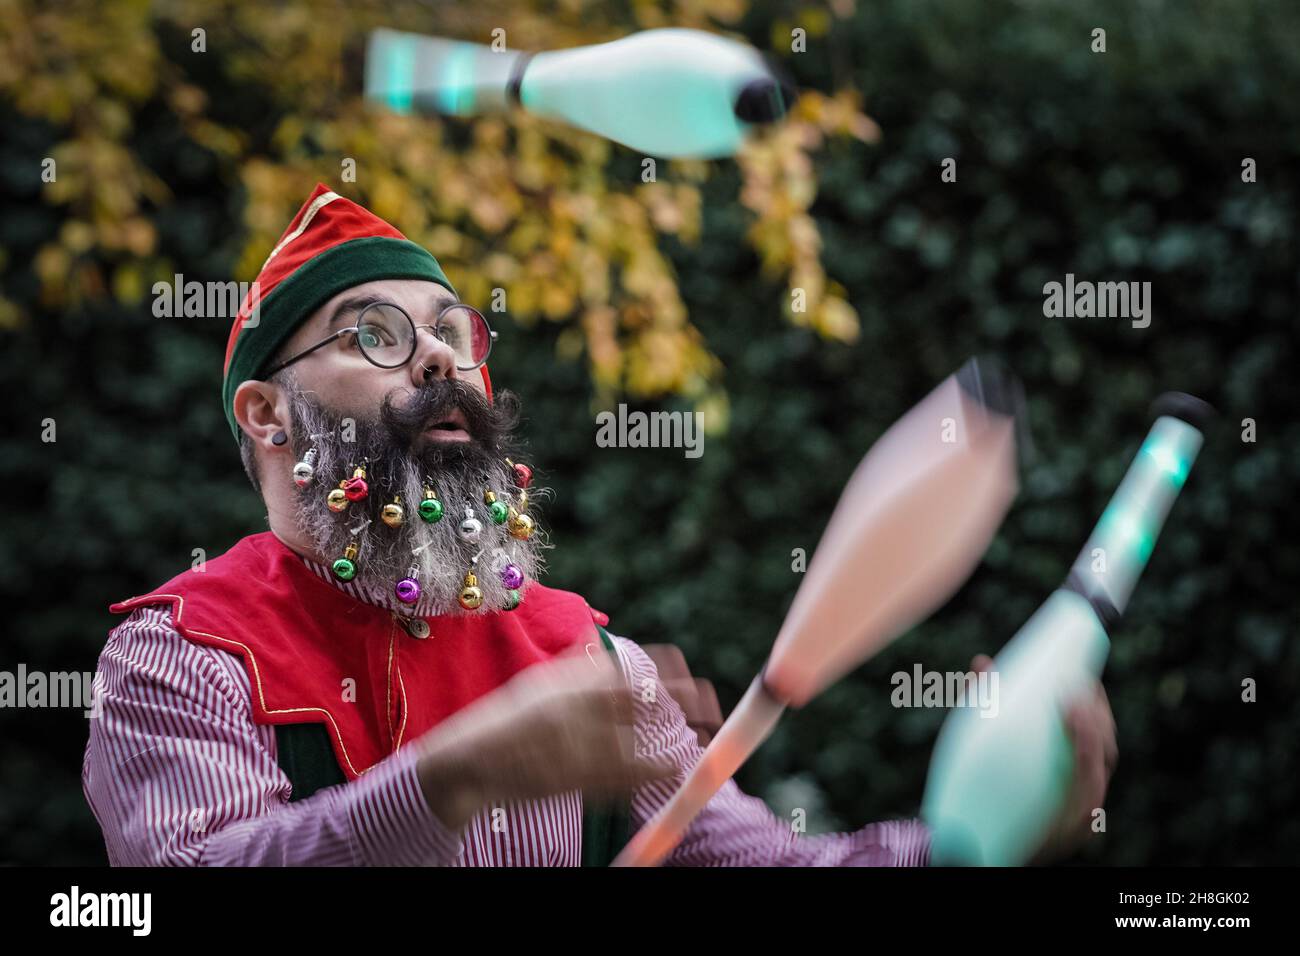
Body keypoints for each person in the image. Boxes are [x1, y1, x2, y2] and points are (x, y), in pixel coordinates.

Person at [82, 184, 1115, 866]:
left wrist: (973, 845)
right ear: (265, 413)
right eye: (377, 334)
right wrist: (456, 775)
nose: (441, 360)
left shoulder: (586, 659)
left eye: (454, 333)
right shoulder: (181, 658)